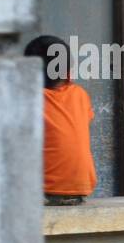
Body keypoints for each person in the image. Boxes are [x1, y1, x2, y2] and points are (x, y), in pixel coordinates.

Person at [27, 35, 96, 205]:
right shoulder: (80, 95)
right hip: (80, 190)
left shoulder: (28, 99)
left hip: (44, 192)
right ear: (68, 70)